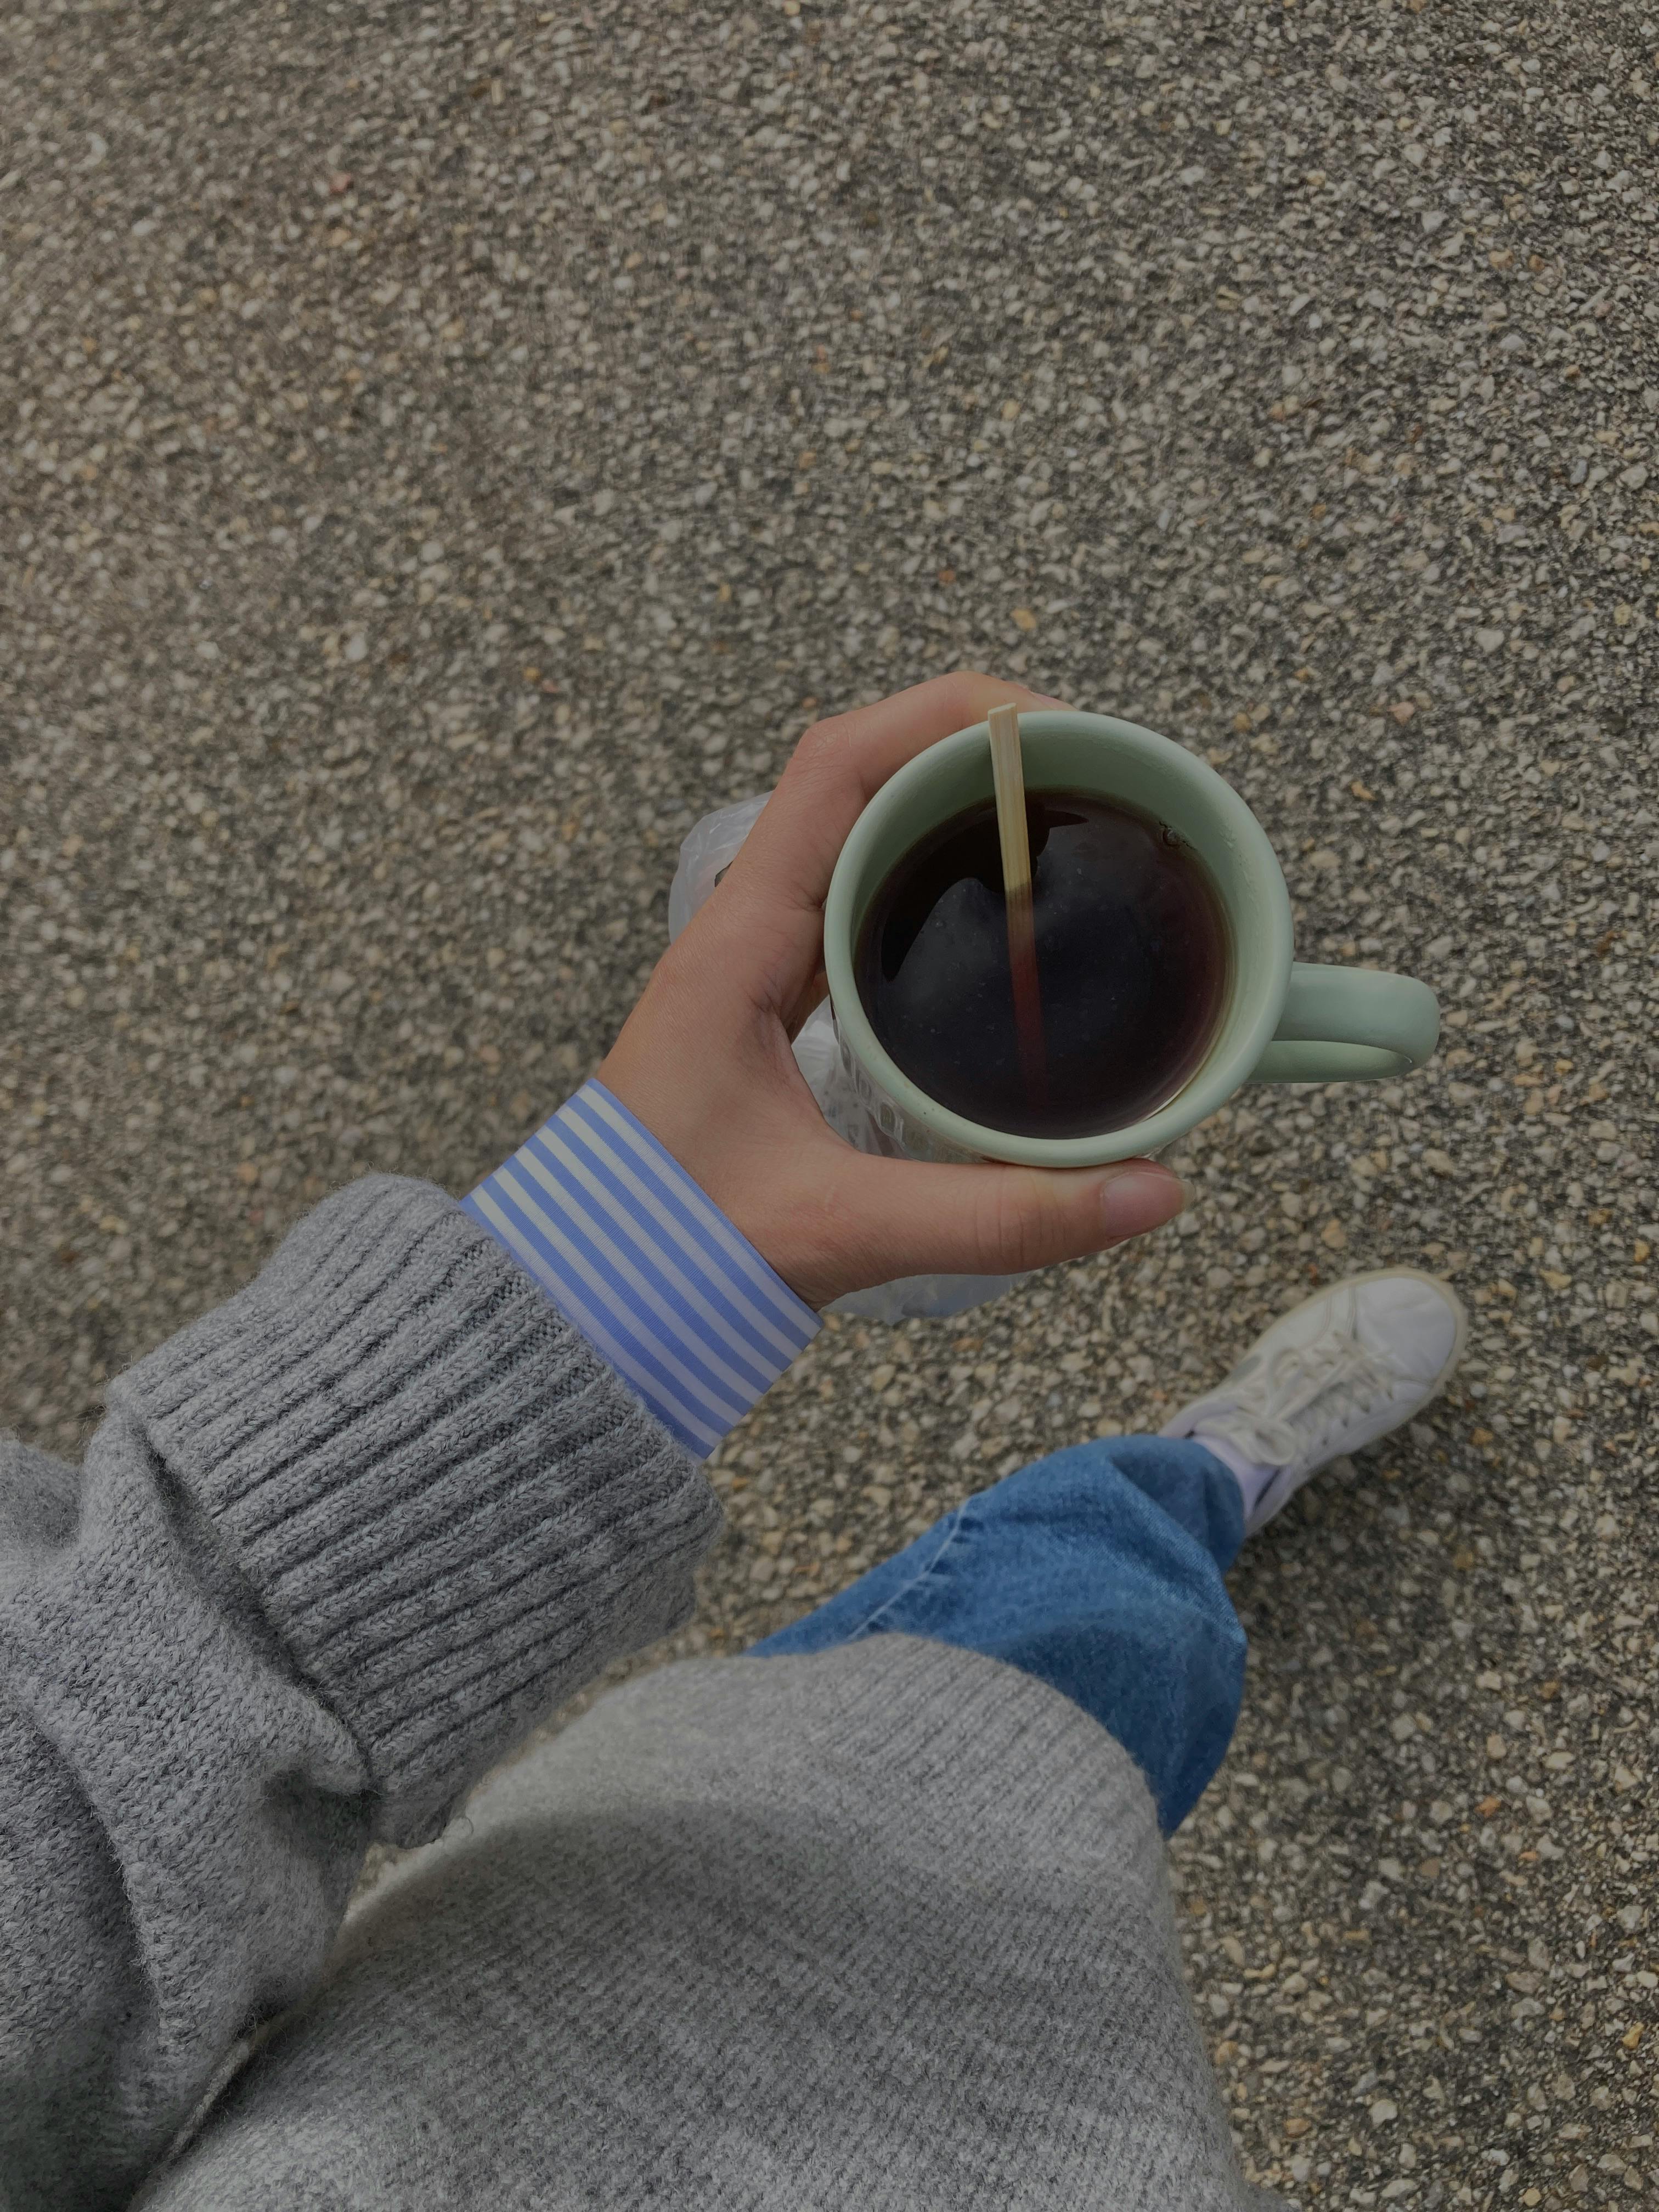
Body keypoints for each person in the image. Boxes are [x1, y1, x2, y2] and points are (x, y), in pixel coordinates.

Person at [0, 674, 1465, 2211]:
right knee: (1120, 1677)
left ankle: (1193, 1487)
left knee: (1093, 1624)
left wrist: (622, 1270)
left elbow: (72, 1859)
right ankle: (1195, 1490)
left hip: (664, 1872)